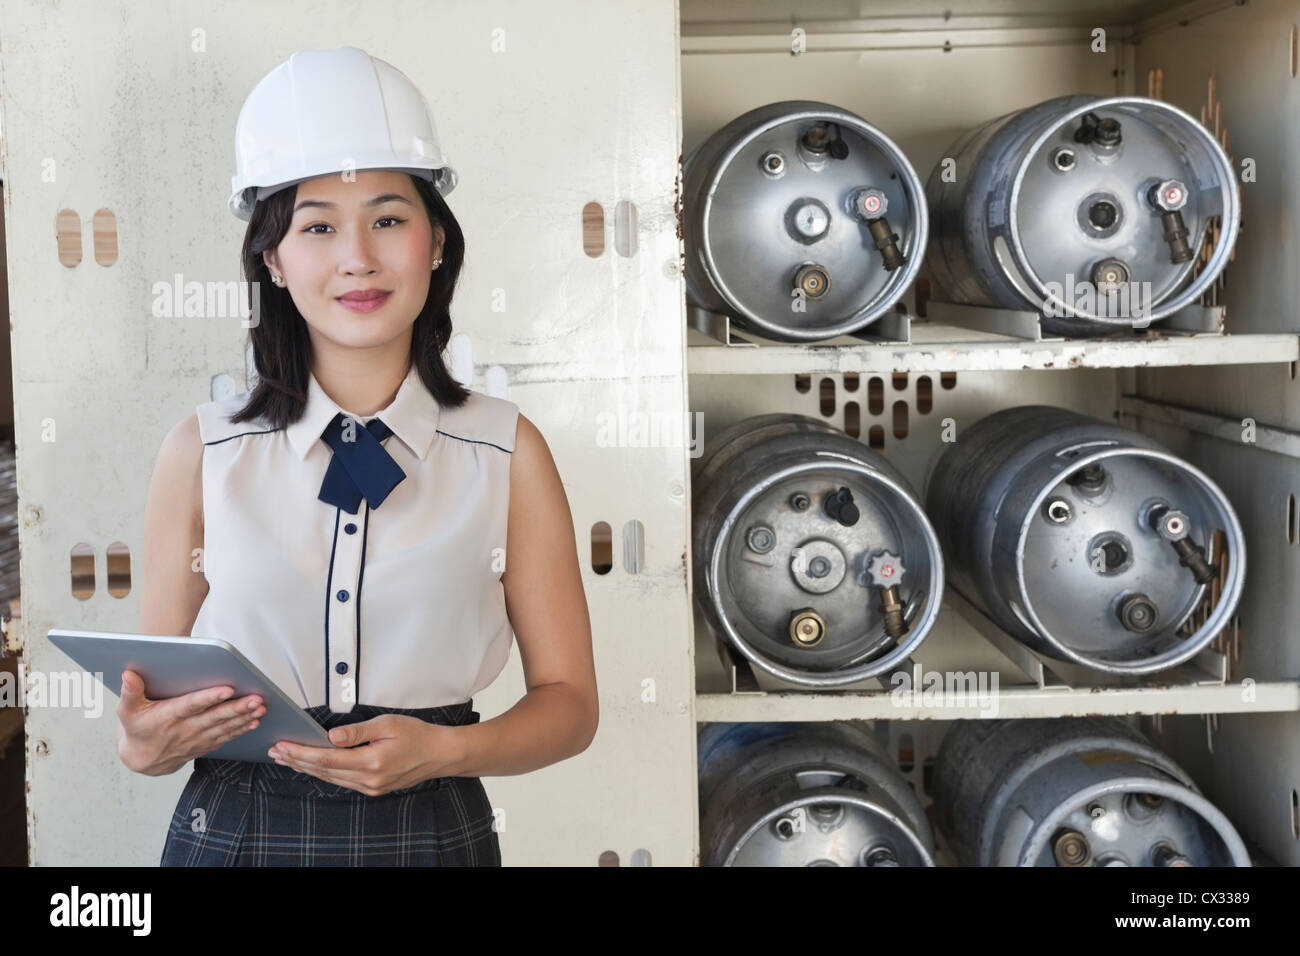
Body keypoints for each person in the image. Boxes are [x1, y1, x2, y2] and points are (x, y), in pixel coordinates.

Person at [117, 46, 597, 866]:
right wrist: (146, 742)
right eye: (317, 227)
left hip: (432, 831)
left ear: (436, 241)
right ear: (272, 259)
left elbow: (571, 705)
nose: (357, 259)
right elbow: (145, 727)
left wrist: (445, 753)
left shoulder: (505, 451)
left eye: (387, 218)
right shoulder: (203, 450)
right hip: (236, 834)